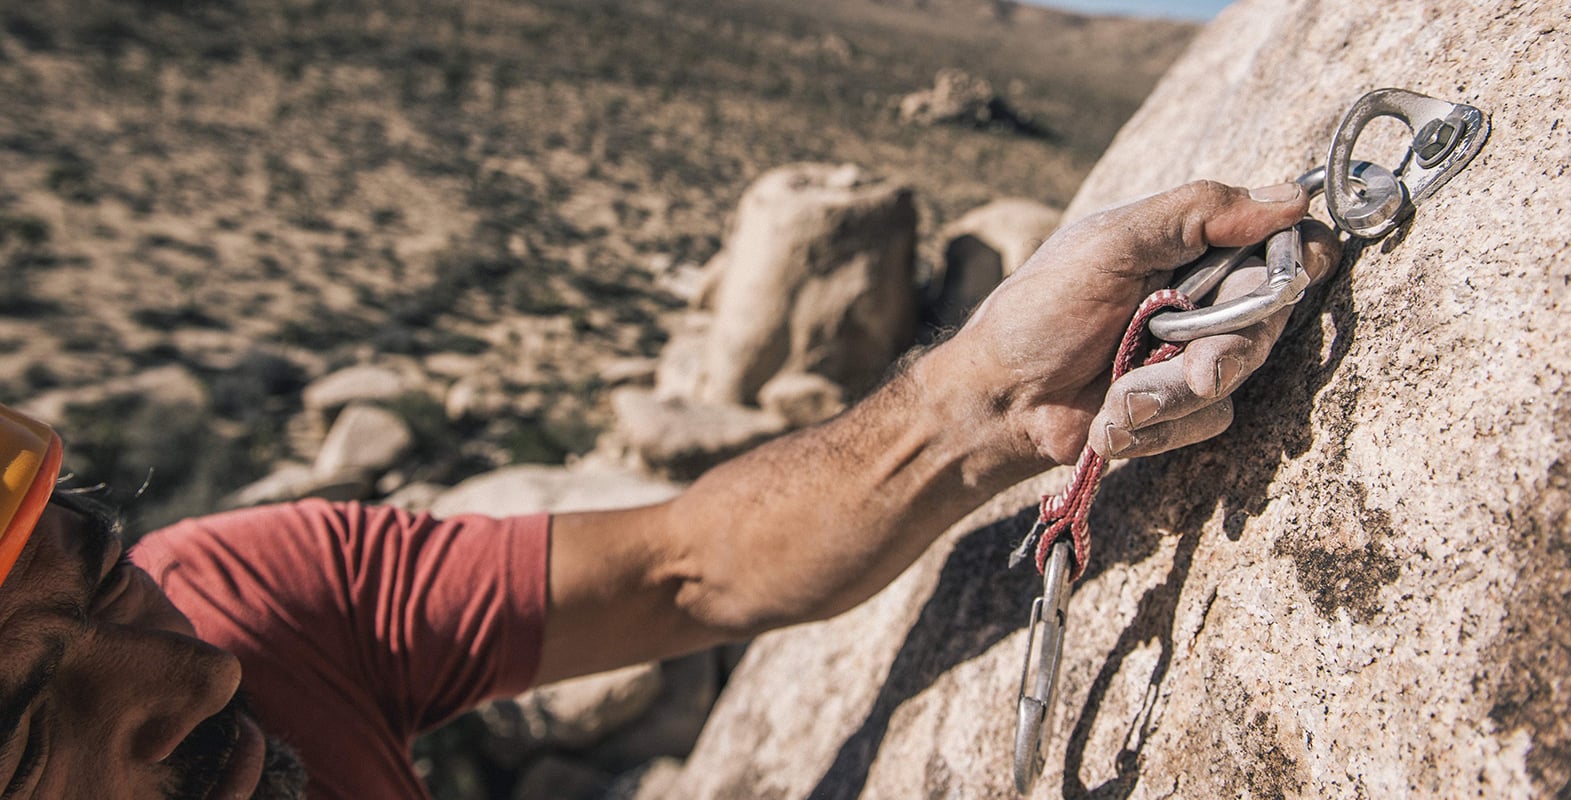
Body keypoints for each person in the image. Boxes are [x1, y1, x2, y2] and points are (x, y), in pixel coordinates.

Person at [0, 180, 1337, 799]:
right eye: (22, 734)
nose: (195, 683)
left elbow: (680, 568)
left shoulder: (252, 597)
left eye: (107, 577)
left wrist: (989, 391)